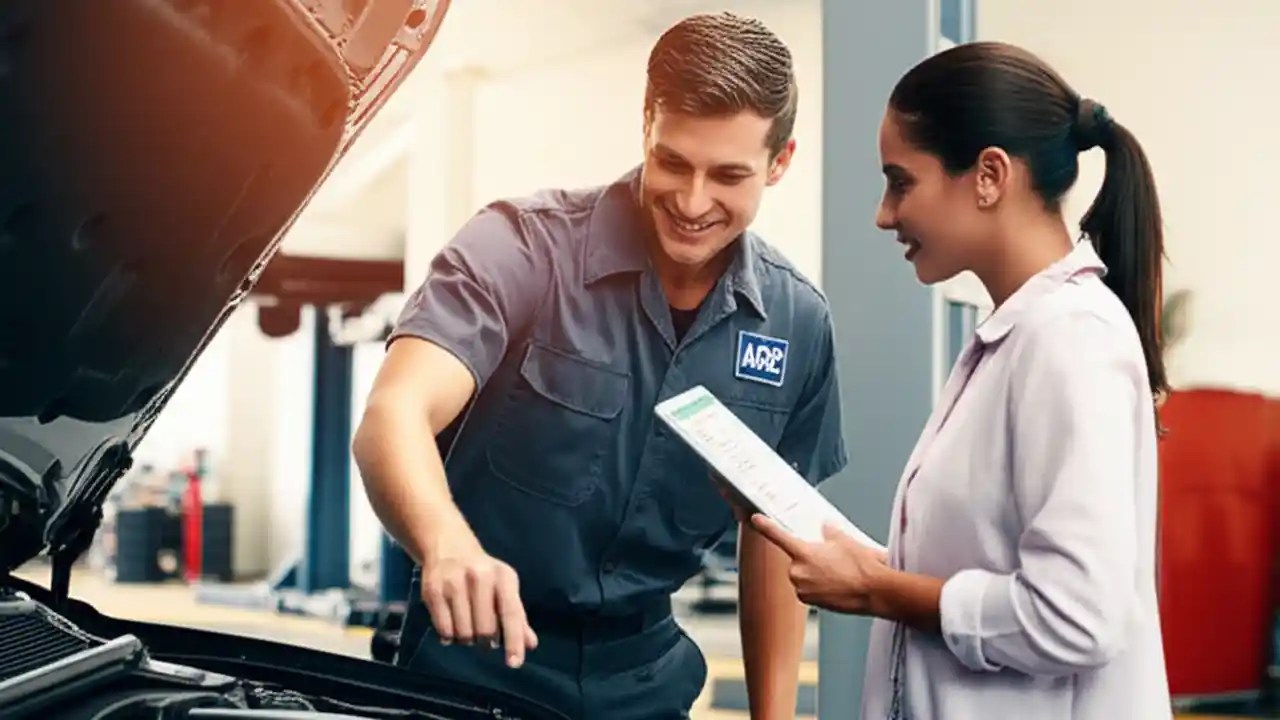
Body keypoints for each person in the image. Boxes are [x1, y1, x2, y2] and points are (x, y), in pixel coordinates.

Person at [351, 11, 848, 720]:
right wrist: (445, 544)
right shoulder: (520, 249)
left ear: (781, 161)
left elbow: (774, 531)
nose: (693, 201)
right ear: (646, 125)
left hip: (646, 684)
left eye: (729, 175)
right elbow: (394, 414)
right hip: (474, 669)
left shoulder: (797, 323)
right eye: (673, 162)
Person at [750, 41, 1173, 719]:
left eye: (900, 182)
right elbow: (984, 571)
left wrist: (878, 592)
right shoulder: (1017, 335)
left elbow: (1077, 615)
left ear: (989, 175)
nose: (884, 214)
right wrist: (864, 564)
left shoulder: (1069, 339)